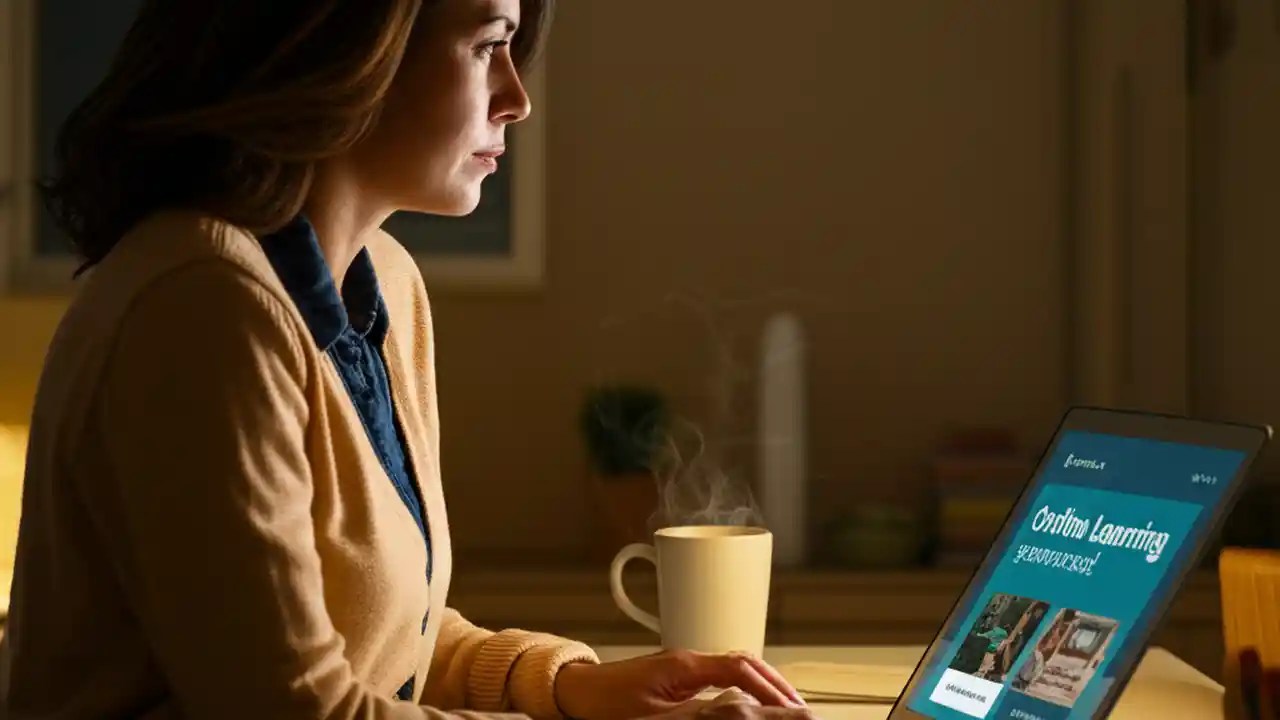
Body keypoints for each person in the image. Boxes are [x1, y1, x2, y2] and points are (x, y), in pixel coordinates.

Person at [0, 2, 817, 719]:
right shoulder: (202, 307)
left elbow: (381, 647)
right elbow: (290, 712)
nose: (517, 97)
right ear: (353, 50)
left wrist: (573, 687)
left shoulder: (384, 281)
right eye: (486, 44)